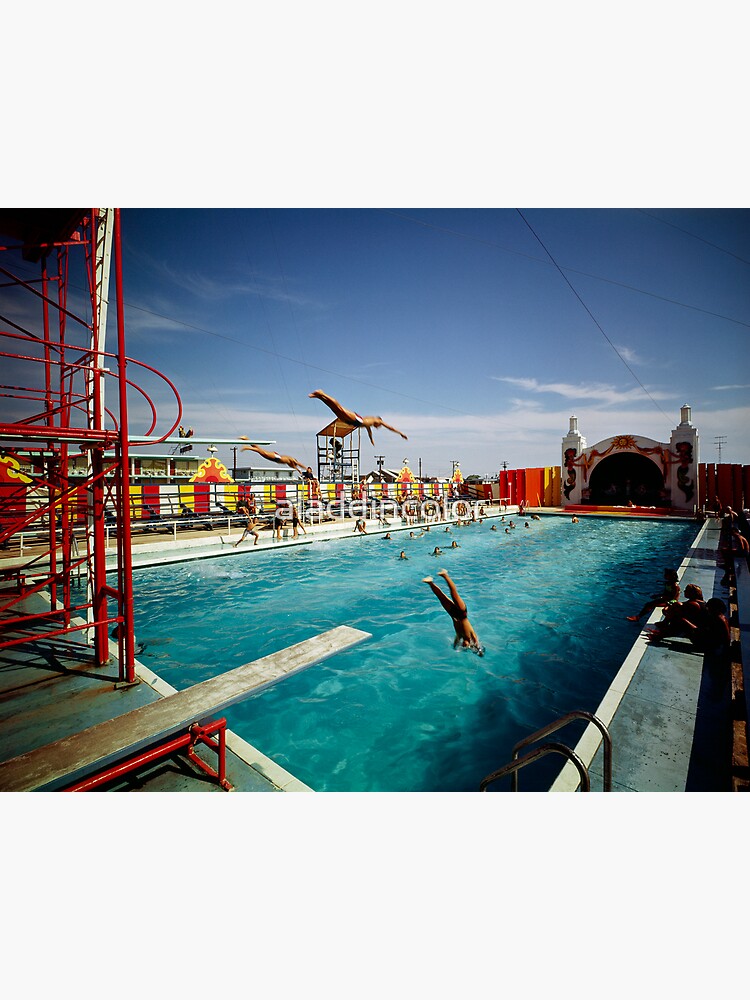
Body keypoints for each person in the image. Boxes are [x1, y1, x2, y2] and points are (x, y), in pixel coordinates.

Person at [308, 389, 408, 445]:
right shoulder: (377, 420)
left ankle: (320, 397)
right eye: (379, 426)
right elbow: (391, 427)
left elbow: (369, 432)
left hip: (353, 423)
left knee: (334, 410)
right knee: (340, 408)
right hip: (357, 419)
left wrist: (371, 440)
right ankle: (322, 393)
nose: (379, 427)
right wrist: (401, 433)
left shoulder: (370, 424)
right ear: (379, 421)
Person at [422, 569, 484, 655]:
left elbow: (455, 644)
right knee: (454, 594)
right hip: (462, 613)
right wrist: (478, 650)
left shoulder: (459, 636)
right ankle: (445, 575)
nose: (464, 645)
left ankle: (430, 583)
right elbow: (478, 646)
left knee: (441, 597)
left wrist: (455, 647)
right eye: (466, 646)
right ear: (471, 645)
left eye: (463, 646)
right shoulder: (471, 637)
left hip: (453, 614)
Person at [239, 441, 308, 475]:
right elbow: (299, 464)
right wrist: (306, 468)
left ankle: (246, 439)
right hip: (276, 457)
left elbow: (295, 467)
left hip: (275, 459)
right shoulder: (292, 459)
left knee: (259, 450)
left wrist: (299, 471)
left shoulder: (291, 463)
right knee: (262, 452)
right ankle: (247, 447)